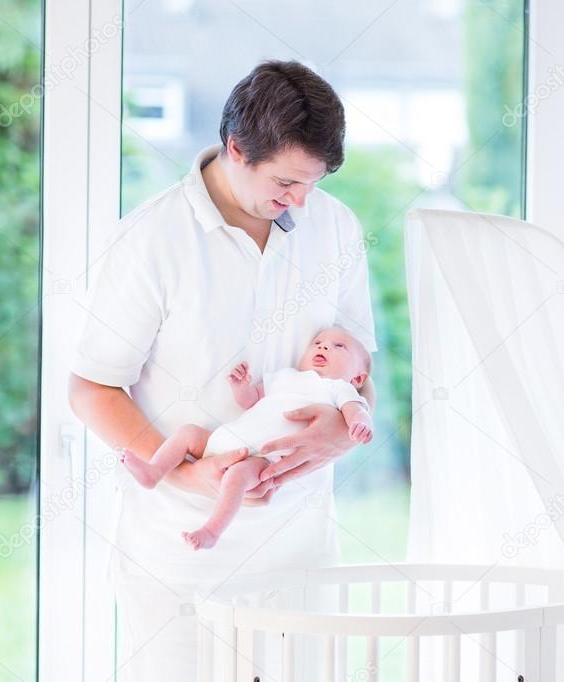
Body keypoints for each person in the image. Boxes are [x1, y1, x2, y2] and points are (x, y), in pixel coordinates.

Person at [68, 59, 378, 681]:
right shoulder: (152, 240)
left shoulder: (336, 227)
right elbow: (92, 387)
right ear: (237, 149)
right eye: (287, 183)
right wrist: (188, 475)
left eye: (313, 183)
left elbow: (357, 364)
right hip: (182, 562)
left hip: (302, 553)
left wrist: (341, 432)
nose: (301, 201)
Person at [119, 326, 374, 551]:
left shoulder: (338, 388)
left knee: (236, 478)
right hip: (227, 438)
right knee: (188, 433)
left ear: (358, 377)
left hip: (261, 458)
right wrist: (240, 386)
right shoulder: (286, 376)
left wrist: (359, 424)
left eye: (338, 346)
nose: (324, 346)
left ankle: (211, 530)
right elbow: (250, 400)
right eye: (317, 343)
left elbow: (356, 410)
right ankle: (154, 472)